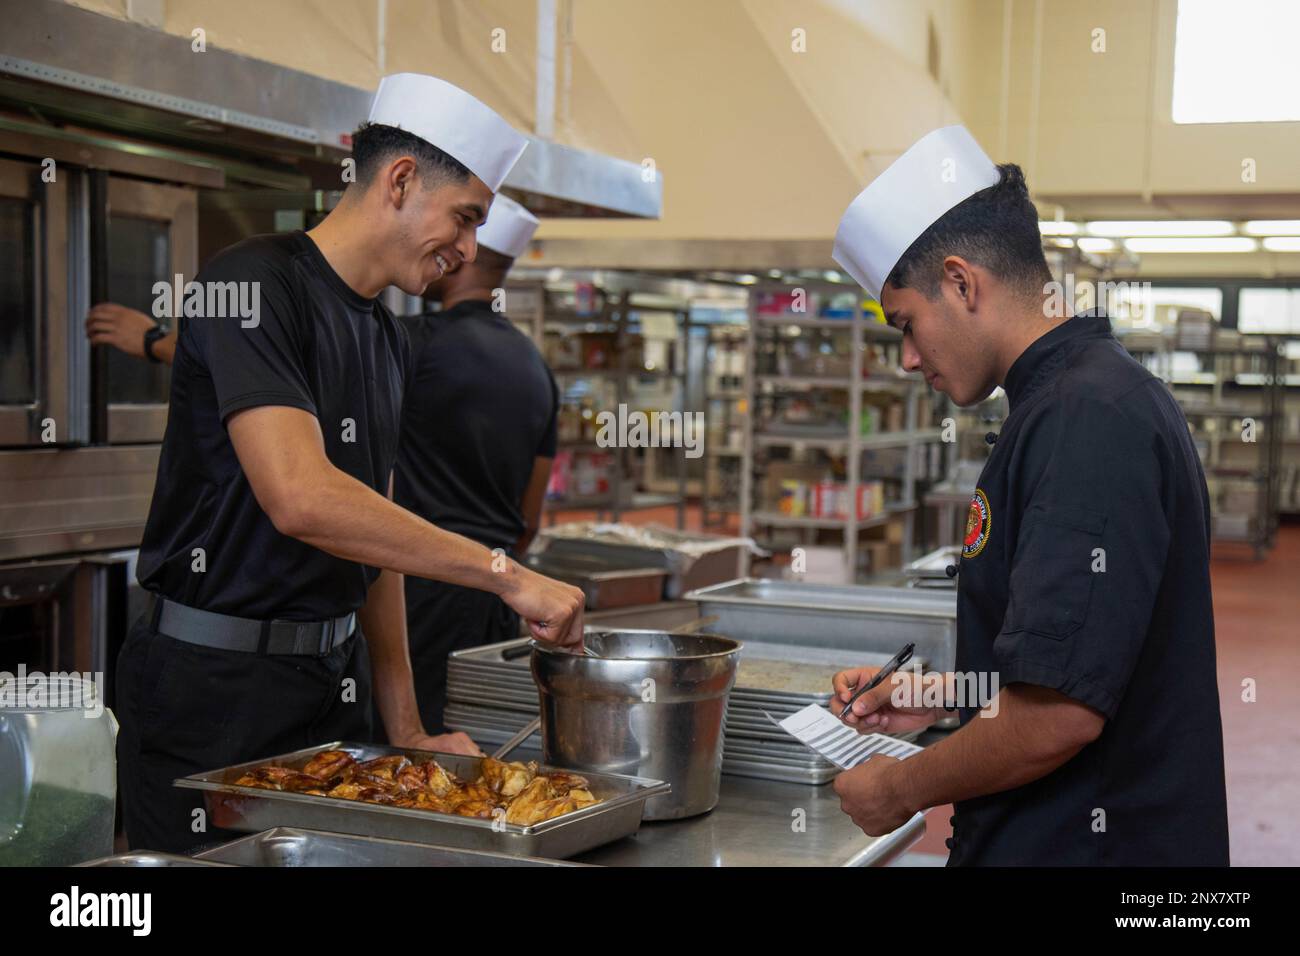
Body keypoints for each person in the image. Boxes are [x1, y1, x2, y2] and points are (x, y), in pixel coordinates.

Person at [114, 73, 585, 853]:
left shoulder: (387, 336)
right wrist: (505, 574)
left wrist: (406, 726)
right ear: (400, 181)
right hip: (212, 688)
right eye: (465, 217)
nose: (469, 250)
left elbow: (376, 542)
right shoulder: (253, 282)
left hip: (333, 689)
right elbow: (300, 497)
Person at [826, 125, 1229, 866]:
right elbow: (1069, 662)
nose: (909, 358)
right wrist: (939, 696)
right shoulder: (1072, 400)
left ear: (961, 283)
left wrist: (900, 788)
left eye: (907, 325)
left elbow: (1057, 716)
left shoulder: (1086, 420)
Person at [393, 195, 559, 734]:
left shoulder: (413, 343)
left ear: (461, 255)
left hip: (416, 591)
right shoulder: (535, 366)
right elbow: (531, 518)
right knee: (474, 736)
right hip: (496, 594)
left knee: (410, 751)